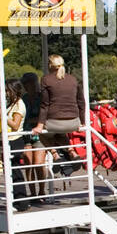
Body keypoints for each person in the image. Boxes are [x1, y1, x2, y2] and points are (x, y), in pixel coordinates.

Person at [34, 54, 86, 182]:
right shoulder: (73, 79)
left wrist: (40, 125)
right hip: (74, 122)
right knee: (59, 134)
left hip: (54, 121)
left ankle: (55, 155)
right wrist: (83, 122)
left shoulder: (46, 79)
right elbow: (81, 102)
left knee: (43, 135)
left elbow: (45, 104)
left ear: (50, 65)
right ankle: (72, 153)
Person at [0, 80, 31, 207]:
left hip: (15, 140)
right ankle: (16, 200)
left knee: (15, 172)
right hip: (10, 141)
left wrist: (2, 114)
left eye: (7, 90)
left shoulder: (19, 104)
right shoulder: (12, 104)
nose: (6, 93)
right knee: (10, 172)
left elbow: (15, 125)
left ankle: (22, 202)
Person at [20, 72, 45, 197]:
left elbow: (44, 116)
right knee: (28, 164)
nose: (32, 86)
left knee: (39, 164)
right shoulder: (23, 99)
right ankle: (33, 193)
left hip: (39, 135)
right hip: (25, 135)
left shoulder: (42, 98)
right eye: (28, 84)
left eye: (33, 83)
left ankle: (41, 192)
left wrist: (33, 121)